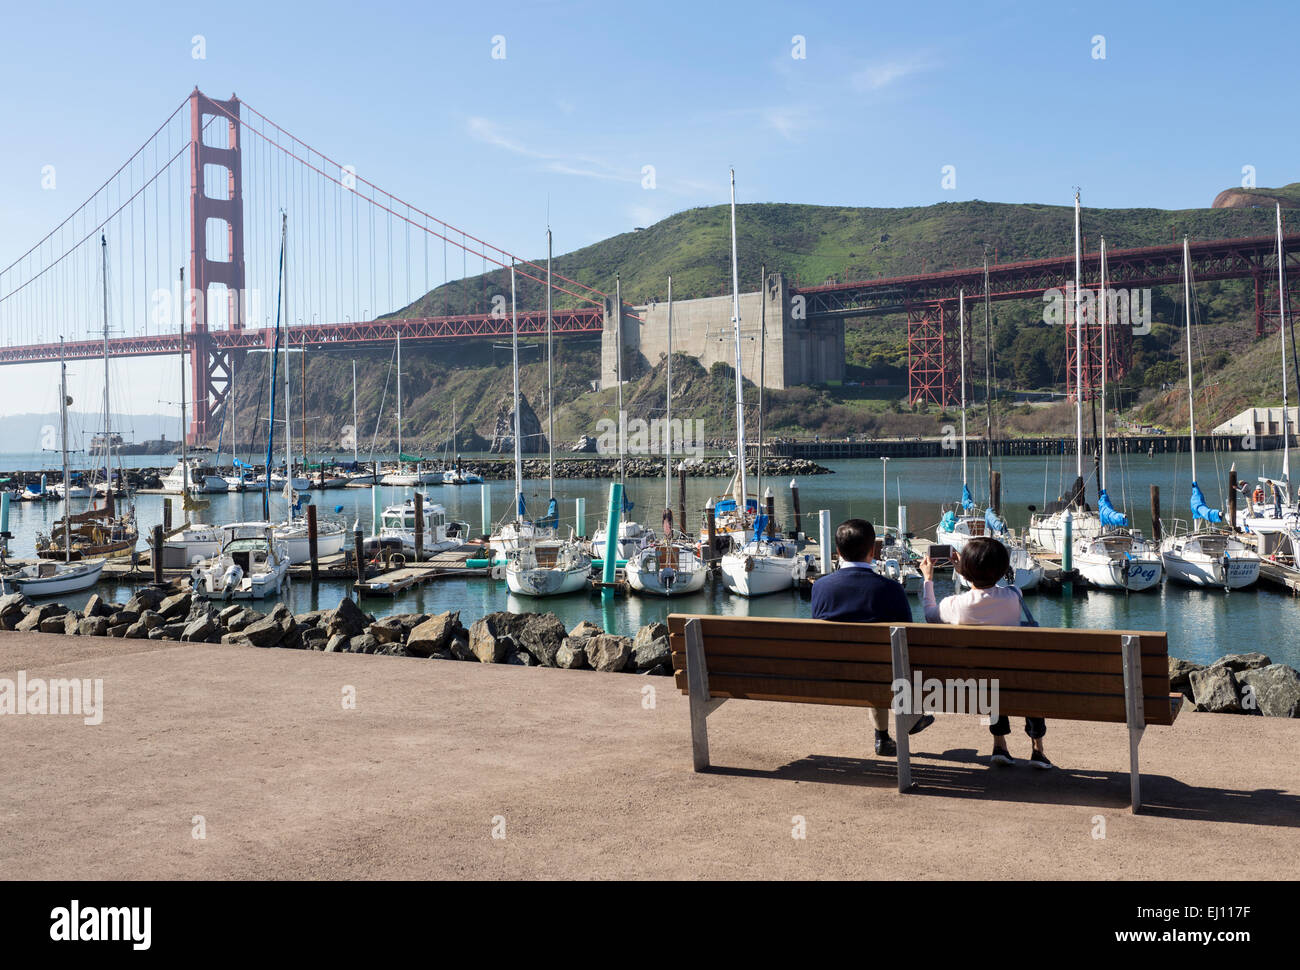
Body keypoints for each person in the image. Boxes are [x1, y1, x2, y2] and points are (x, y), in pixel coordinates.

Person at [919, 537, 1053, 769]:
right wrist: (966, 569)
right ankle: (1037, 749)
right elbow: (988, 588)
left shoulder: (955, 605)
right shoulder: (1015, 596)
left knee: (991, 680)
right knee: (1023, 679)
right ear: (1003, 568)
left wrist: (928, 579)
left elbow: (930, 613)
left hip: (979, 683)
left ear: (966, 571)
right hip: (1019, 679)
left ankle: (999, 745)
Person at [811, 518, 934, 757]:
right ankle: (909, 718)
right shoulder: (891, 589)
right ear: (873, 550)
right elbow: (908, 638)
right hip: (879, 674)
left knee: (872, 662)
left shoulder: (821, 587)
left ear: (838, 552)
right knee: (884, 661)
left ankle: (883, 737)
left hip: (832, 675)